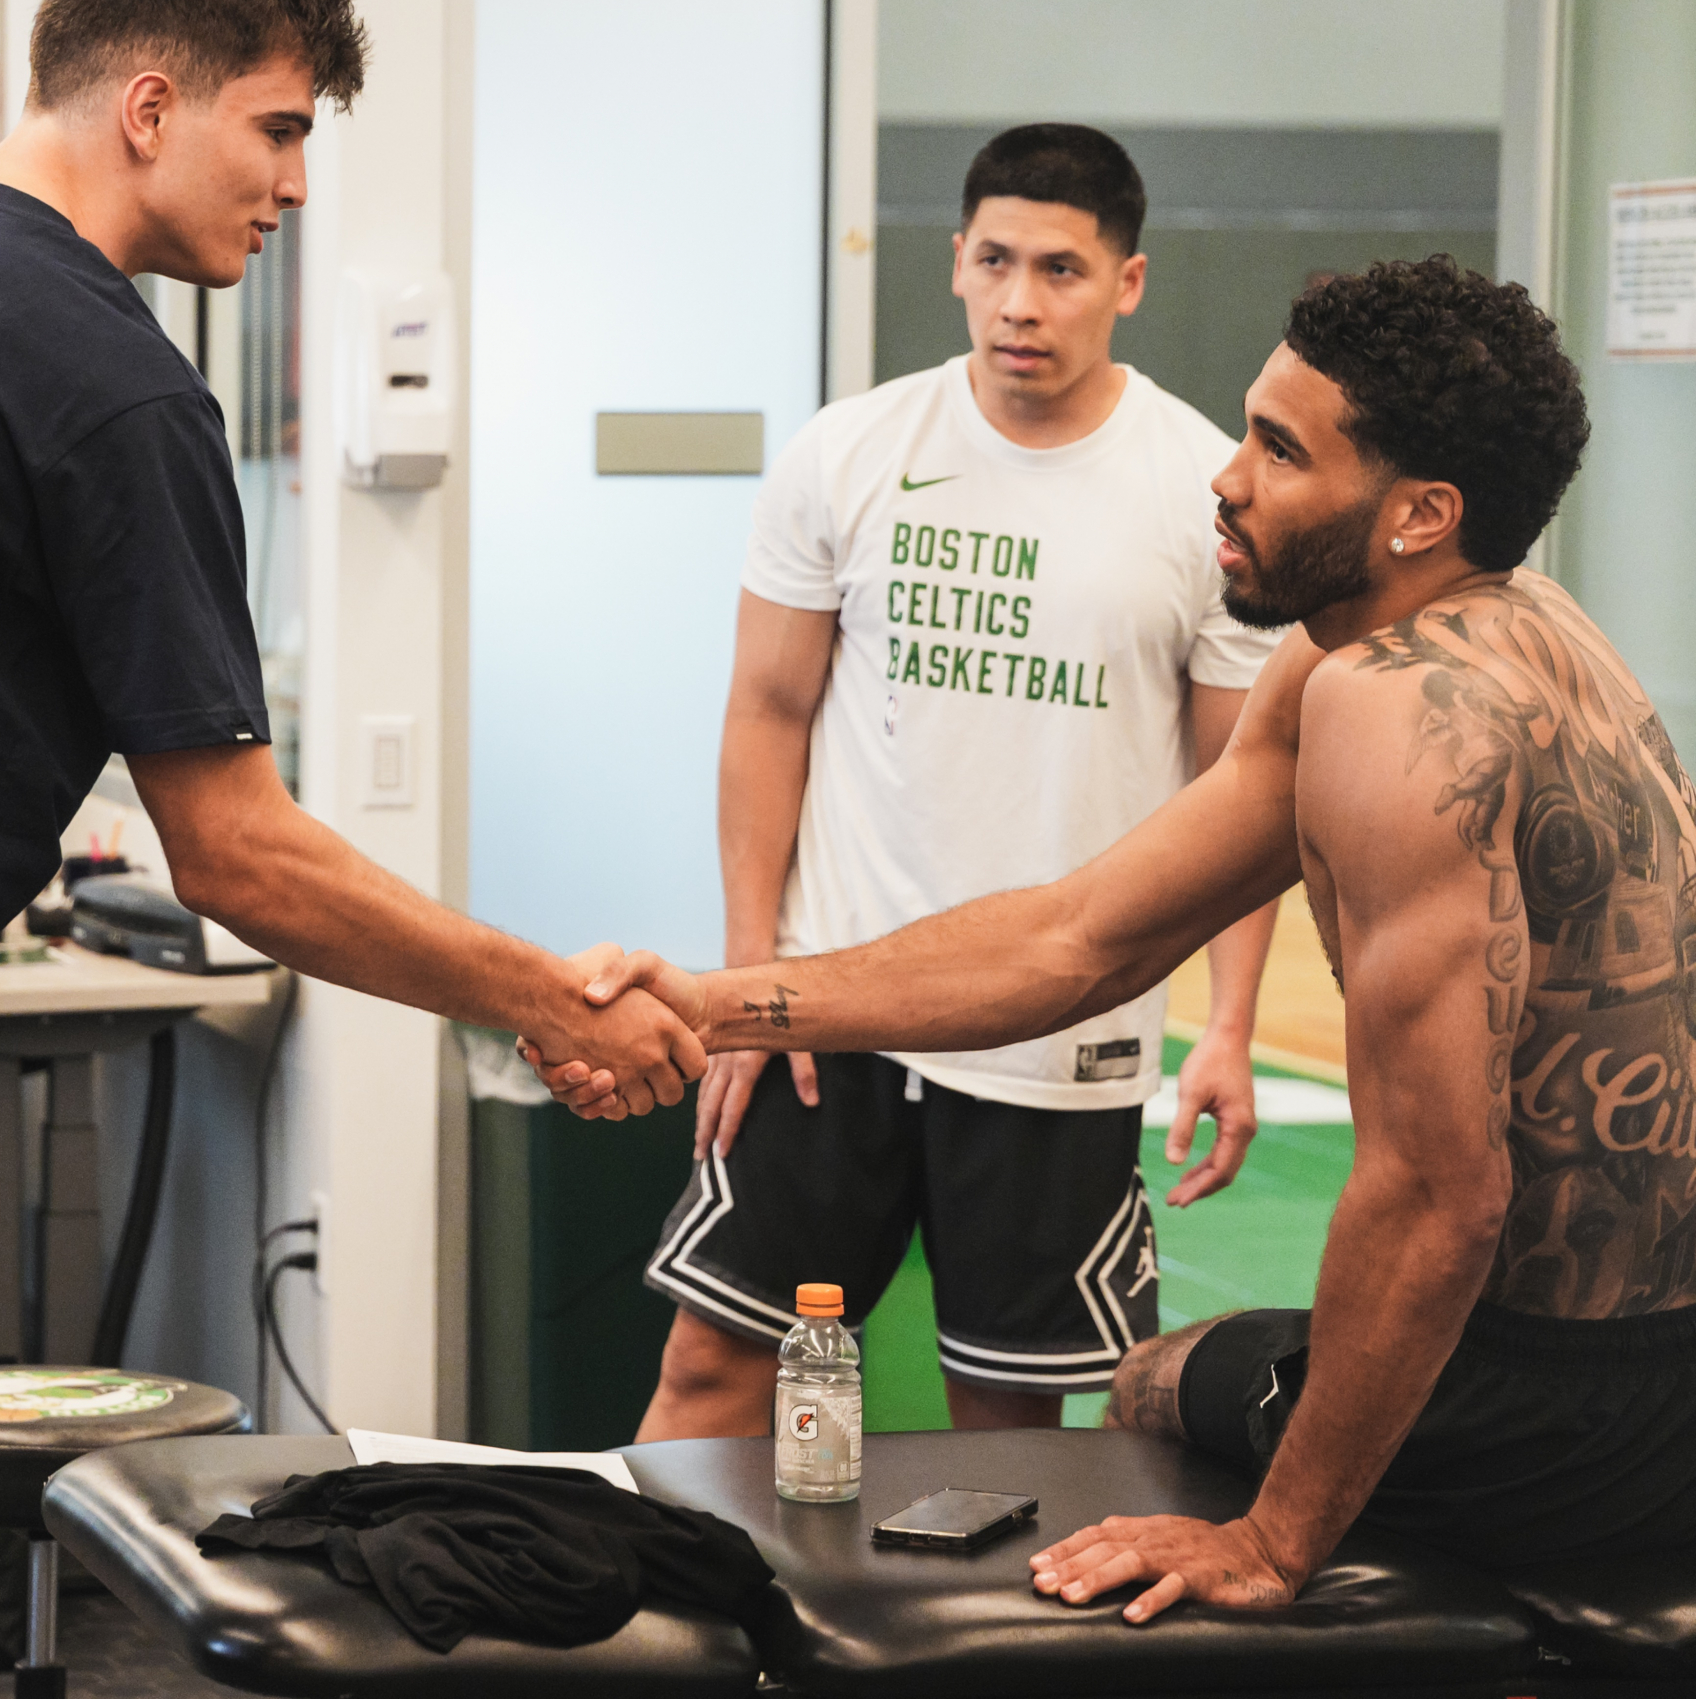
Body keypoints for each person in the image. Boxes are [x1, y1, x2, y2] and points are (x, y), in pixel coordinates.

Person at [0, 0, 699, 1698]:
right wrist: (550, 1000)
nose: (299, 187)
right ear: (151, 107)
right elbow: (235, 856)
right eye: (284, 127)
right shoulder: (110, 392)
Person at [535, 256, 1696, 1609]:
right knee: (1154, 1375)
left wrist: (1271, 1545)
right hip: (1639, 1350)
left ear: (1418, 514)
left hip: (1564, 1412)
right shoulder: (1505, 630)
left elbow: (1442, 1197)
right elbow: (1077, 941)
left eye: (1280, 451)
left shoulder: (1399, 715)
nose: (1228, 477)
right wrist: (716, 1001)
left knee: (1153, 1397)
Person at [636, 124, 1281, 1445]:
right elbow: (767, 711)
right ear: (955, 263)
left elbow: (1238, 793)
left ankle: (979, 1662)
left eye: (1061, 269)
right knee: (708, 1374)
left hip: (1058, 1038)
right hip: (832, 1017)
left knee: (1005, 1426)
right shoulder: (849, 451)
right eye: (995, 261)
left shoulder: (1195, 490)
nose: (1020, 303)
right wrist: (752, 979)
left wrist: (1227, 1025)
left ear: (1129, 283)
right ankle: (667, 1646)